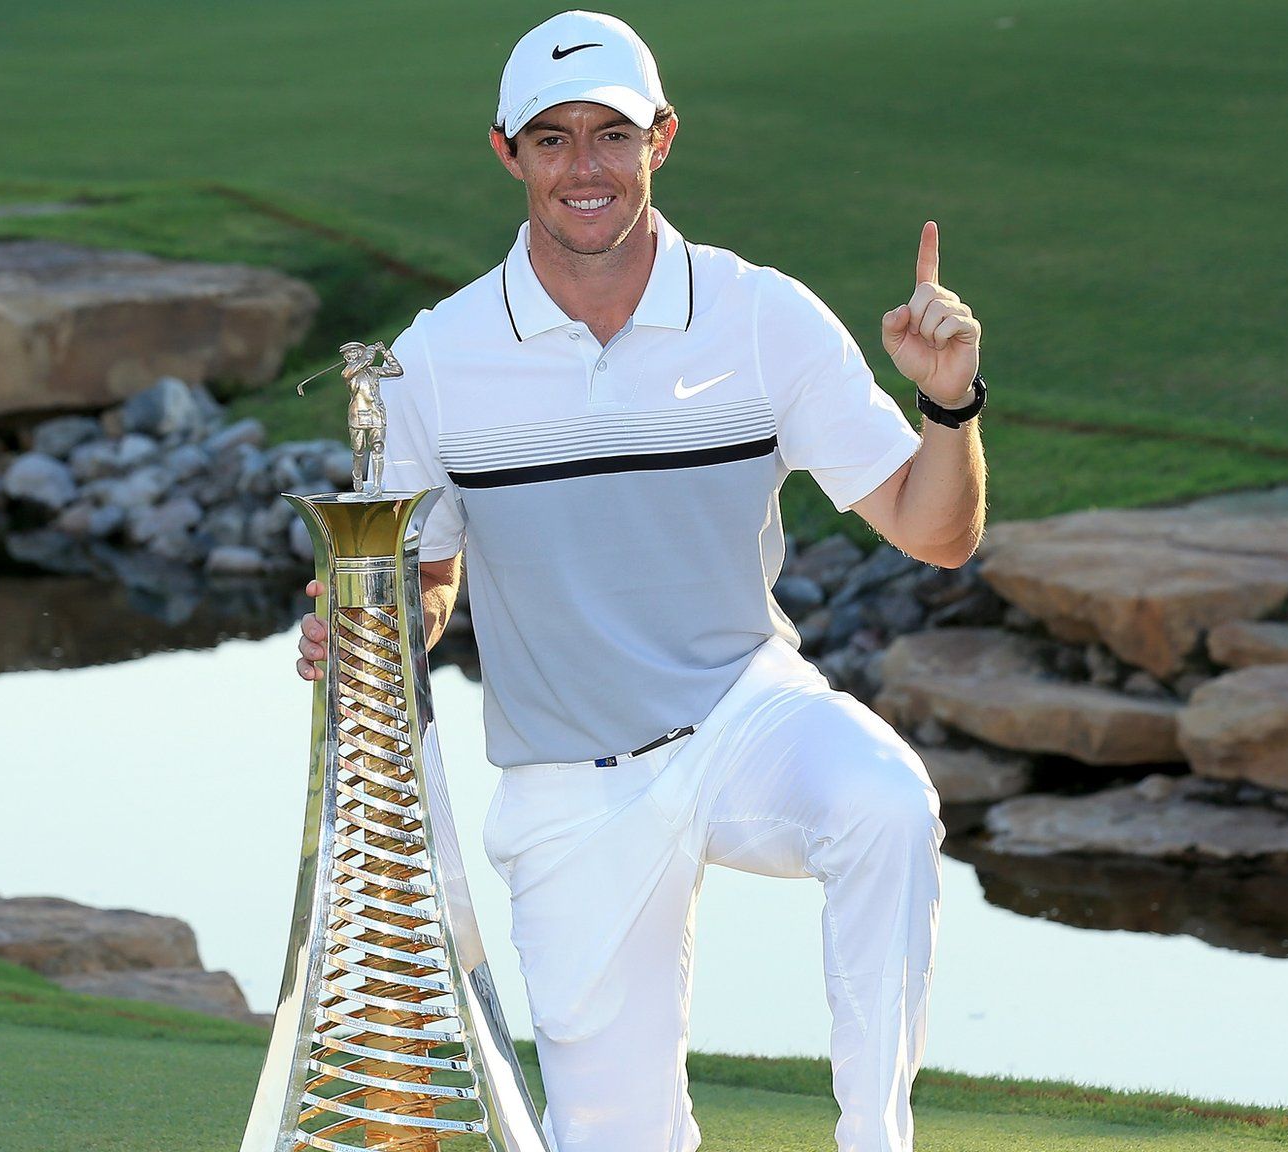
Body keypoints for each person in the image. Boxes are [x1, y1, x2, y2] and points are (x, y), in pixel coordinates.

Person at [295, 10, 986, 1150]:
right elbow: (423, 579)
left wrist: (947, 404)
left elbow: (935, 531)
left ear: (660, 138)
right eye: (553, 138)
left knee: (884, 806)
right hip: (570, 778)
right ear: (506, 152)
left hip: (740, 715)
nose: (585, 168)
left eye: (610, 135)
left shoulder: (761, 316)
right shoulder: (437, 355)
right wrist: (369, 638)